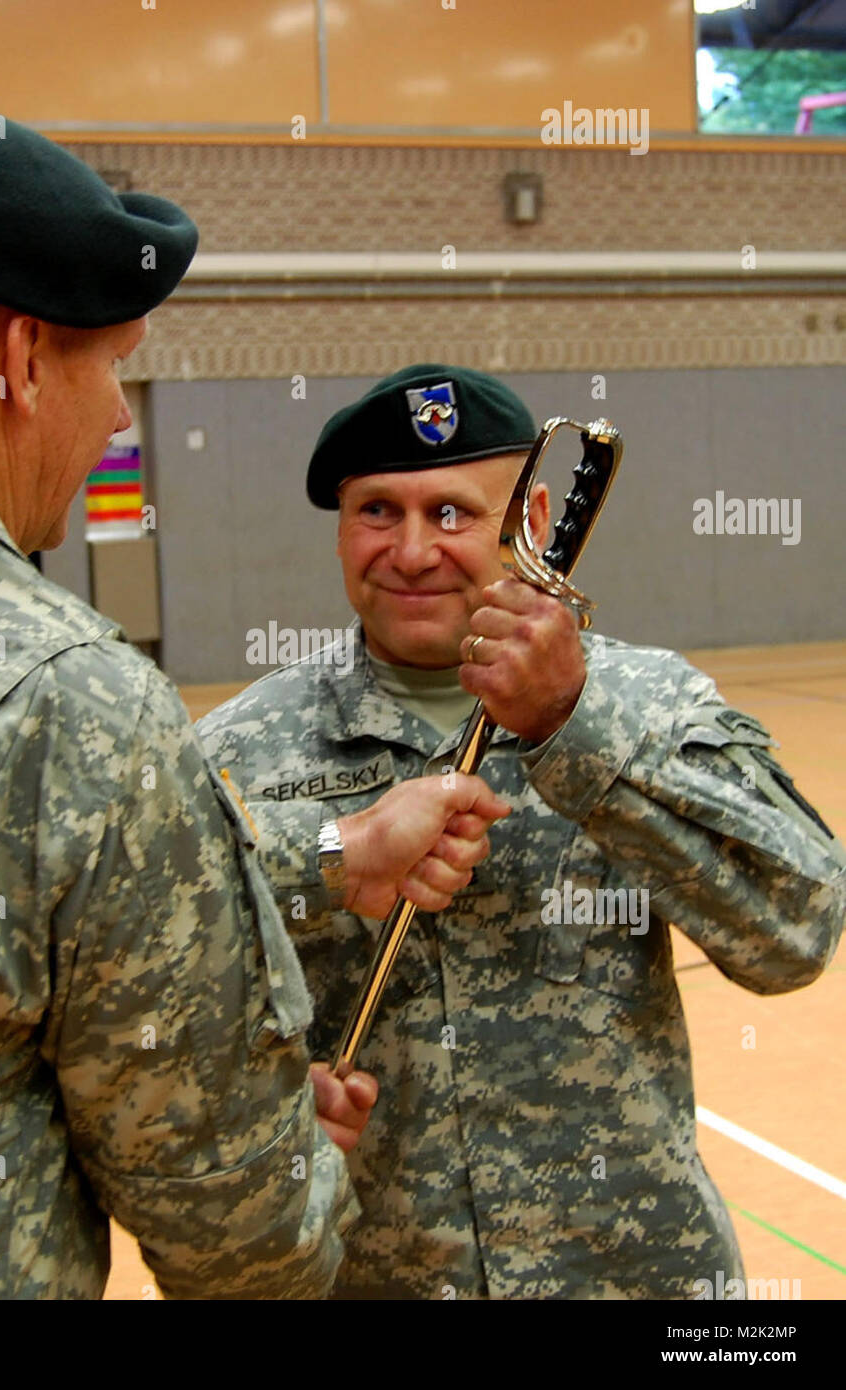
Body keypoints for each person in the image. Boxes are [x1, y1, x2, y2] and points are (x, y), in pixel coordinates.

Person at [0, 123, 504, 1301]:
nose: (115, 418)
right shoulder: (69, 699)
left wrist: (332, 853)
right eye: (113, 367)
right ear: (27, 355)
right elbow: (236, 1241)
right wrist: (301, 1170)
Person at [197, 363, 846, 1300]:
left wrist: (573, 728)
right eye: (378, 511)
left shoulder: (649, 706)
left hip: (634, 1278)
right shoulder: (235, 753)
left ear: (536, 520)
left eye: (455, 514)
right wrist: (258, 1121)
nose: (413, 551)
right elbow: (160, 1003)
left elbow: (798, 930)